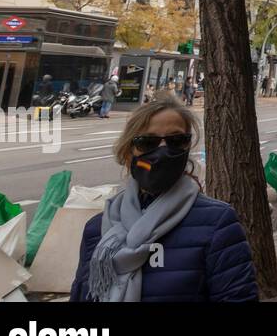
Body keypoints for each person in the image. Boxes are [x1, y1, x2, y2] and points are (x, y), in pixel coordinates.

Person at [69, 96, 258, 301]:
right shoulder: (97, 229)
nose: (162, 152)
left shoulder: (218, 223)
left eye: (177, 141)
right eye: (147, 142)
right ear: (127, 153)